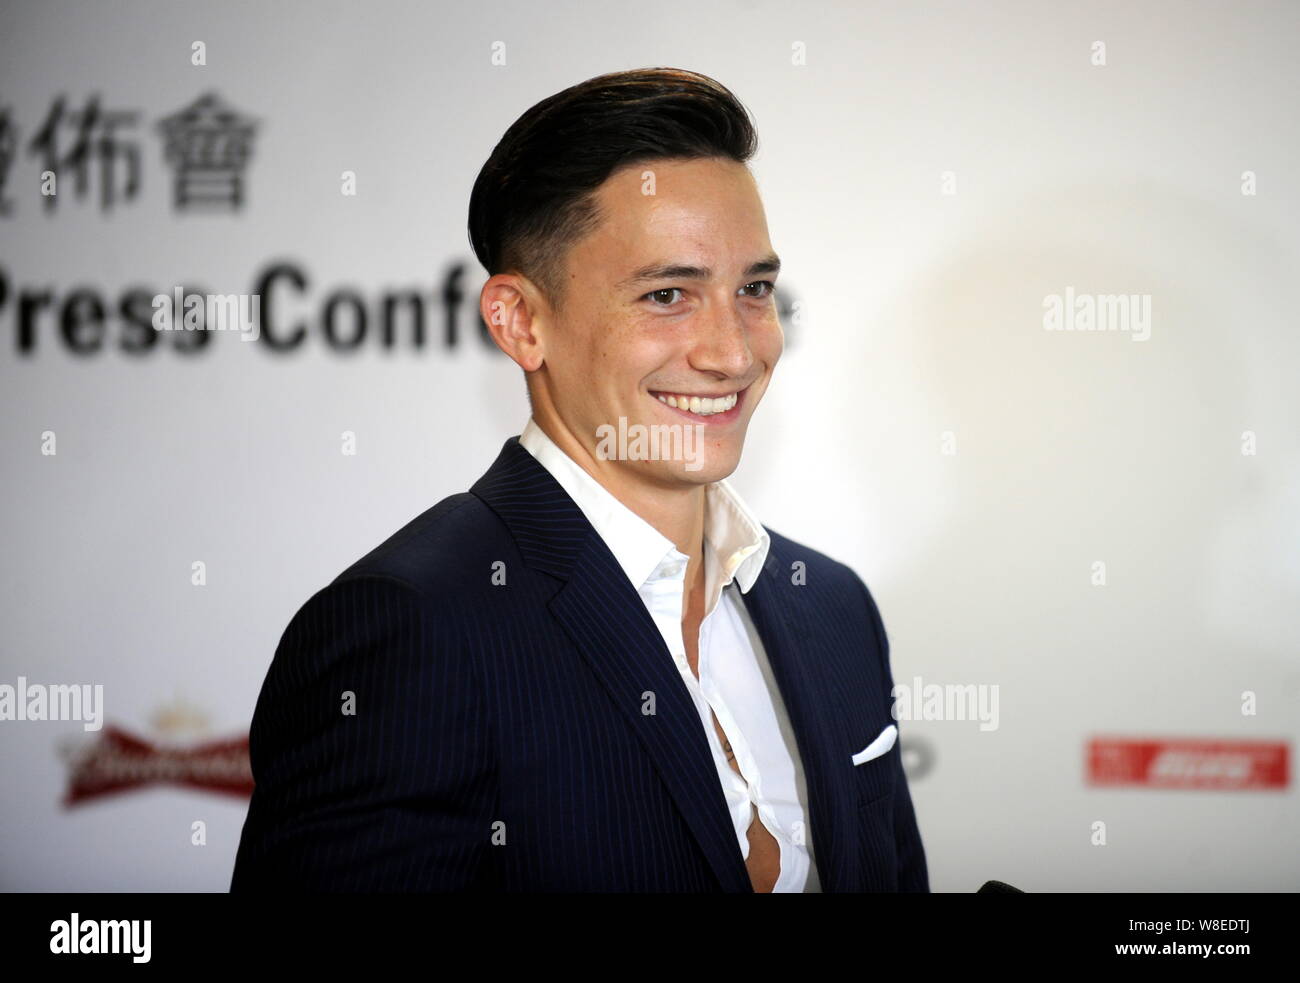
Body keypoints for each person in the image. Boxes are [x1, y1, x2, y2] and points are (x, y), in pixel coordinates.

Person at [230, 67, 928, 893]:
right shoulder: (413, 629)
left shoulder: (831, 607)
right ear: (521, 321)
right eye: (668, 294)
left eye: (755, 291)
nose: (734, 353)